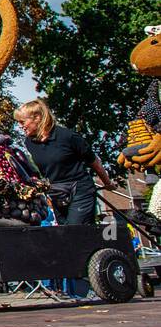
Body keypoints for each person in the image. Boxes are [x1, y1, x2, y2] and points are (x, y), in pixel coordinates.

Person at [15, 98, 117, 297]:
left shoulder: (67, 136)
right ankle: (79, 286)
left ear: (37, 118)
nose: (20, 126)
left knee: (74, 231)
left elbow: (92, 161)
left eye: (23, 121)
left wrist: (107, 182)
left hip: (80, 187)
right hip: (57, 190)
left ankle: (94, 281)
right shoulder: (30, 143)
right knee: (64, 236)